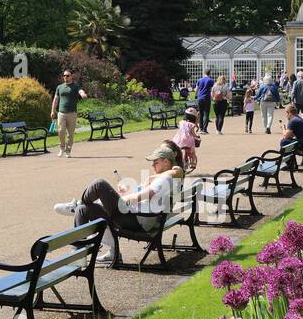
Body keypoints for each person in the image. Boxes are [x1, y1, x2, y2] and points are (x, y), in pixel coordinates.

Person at [53, 144, 187, 265]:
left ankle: (76, 205)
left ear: (166, 161)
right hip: (139, 218)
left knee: (99, 184)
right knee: (83, 210)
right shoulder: (168, 178)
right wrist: (124, 195)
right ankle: (79, 253)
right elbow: (145, 196)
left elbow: (139, 197)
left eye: (155, 162)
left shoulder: (166, 179)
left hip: (136, 220)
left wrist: (122, 199)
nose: (152, 166)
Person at [51, 70, 87, 158]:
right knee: (61, 131)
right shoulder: (59, 87)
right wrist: (52, 111)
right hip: (61, 113)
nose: (65, 77)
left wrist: (83, 94)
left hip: (72, 114)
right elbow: (56, 99)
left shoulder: (75, 86)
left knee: (70, 134)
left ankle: (68, 151)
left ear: (71, 76)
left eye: (67, 75)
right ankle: (61, 148)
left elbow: (80, 91)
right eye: (64, 75)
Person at [174, 107, 201, 172]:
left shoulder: (181, 122)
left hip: (179, 138)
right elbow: (192, 133)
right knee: (192, 151)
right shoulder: (191, 124)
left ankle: (181, 161)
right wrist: (197, 137)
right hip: (188, 139)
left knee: (180, 149)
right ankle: (192, 163)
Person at [195, 71, 214, 136]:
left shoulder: (199, 80)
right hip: (207, 98)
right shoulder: (211, 80)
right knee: (206, 113)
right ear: (209, 73)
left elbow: (196, 89)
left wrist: (196, 95)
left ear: (204, 73)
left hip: (200, 98)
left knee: (201, 113)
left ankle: (200, 128)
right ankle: (204, 129)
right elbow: (212, 89)